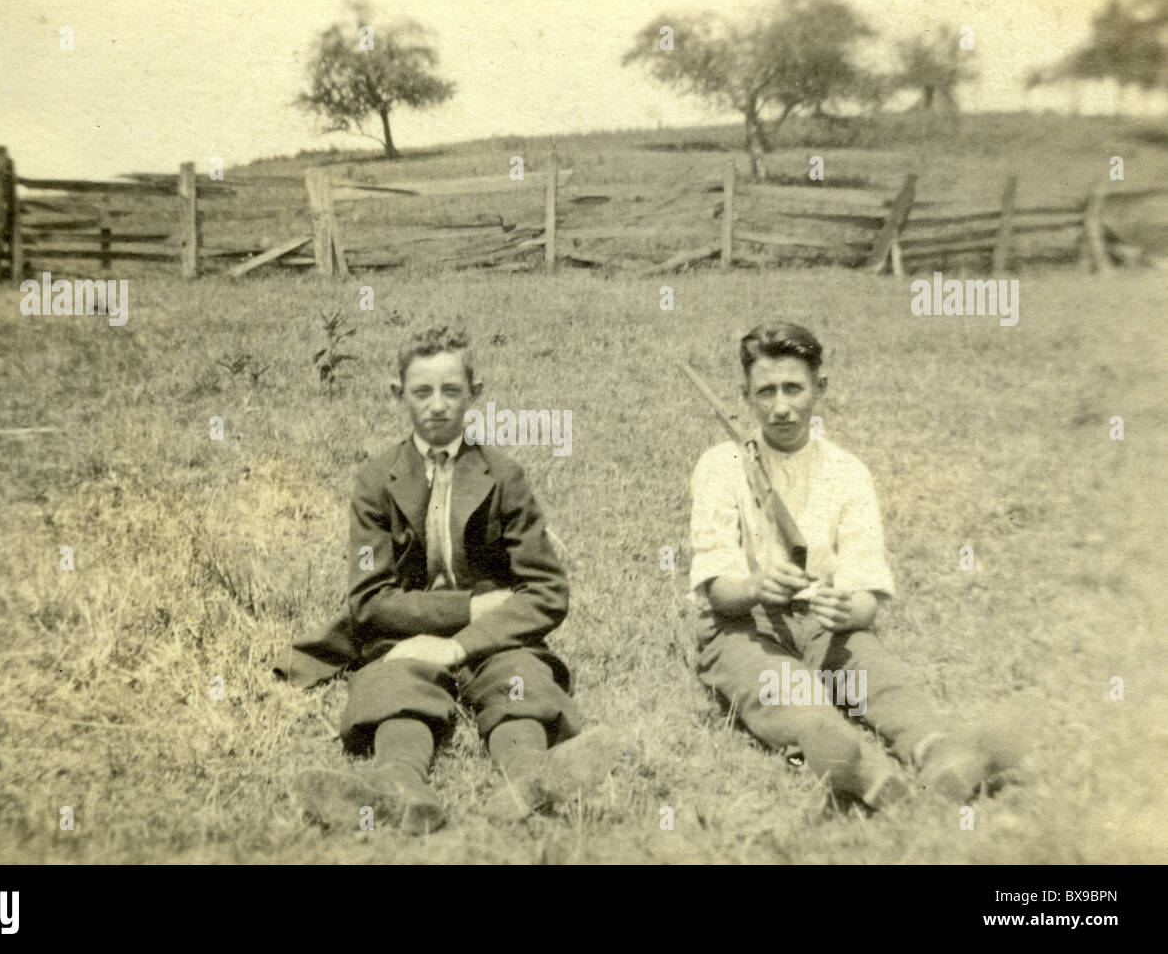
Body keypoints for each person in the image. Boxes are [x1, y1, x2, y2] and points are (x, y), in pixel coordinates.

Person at [281, 325, 619, 832]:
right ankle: (398, 787)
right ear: (399, 395)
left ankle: (530, 778)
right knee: (394, 683)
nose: (437, 405)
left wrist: (464, 641)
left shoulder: (503, 477)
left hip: (493, 637)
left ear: (475, 394)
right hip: (404, 631)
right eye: (422, 392)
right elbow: (370, 600)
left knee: (518, 680)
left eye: (451, 390)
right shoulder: (377, 480)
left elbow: (547, 591)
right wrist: (466, 610)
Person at [687, 322, 1017, 809]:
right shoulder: (722, 464)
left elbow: (866, 594)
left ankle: (940, 752)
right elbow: (718, 590)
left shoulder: (847, 471)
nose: (781, 406)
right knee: (788, 694)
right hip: (743, 624)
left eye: (794, 388)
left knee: (880, 677)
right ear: (745, 395)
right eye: (766, 391)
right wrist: (757, 586)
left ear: (820, 389)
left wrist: (850, 610)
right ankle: (858, 767)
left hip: (823, 622)